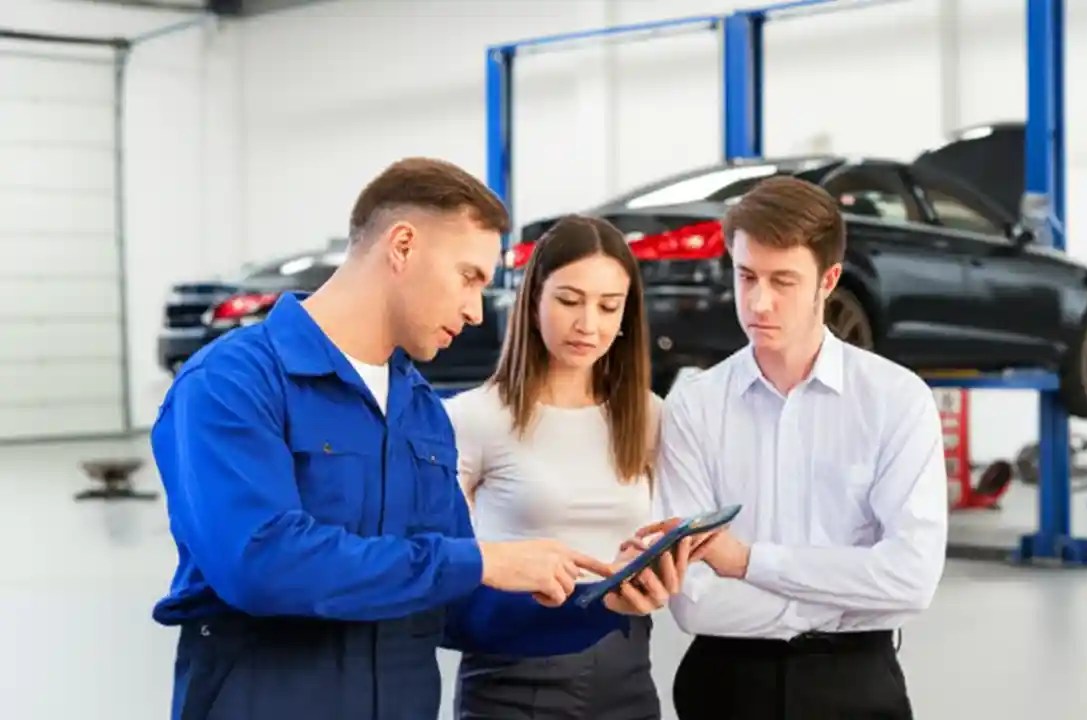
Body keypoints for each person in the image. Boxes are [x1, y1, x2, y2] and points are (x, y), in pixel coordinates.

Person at [148, 158, 687, 720]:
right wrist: (478, 560)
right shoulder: (233, 382)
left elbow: (456, 608)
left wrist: (599, 603)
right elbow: (259, 563)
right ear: (402, 246)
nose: (478, 311)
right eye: (470, 277)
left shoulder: (421, 412)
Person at [648, 176, 949, 720]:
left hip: (857, 688)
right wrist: (840, 600)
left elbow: (912, 578)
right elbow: (692, 600)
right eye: (747, 277)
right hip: (725, 686)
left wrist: (746, 562)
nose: (760, 302)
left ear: (828, 279)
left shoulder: (896, 401)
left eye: (783, 280)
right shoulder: (693, 406)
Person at [445, 214, 691, 720]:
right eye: (569, 300)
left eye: (608, 306)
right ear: (533, 299)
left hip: (626, 675)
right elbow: (437, 555)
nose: (588, 325)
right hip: (511, 678)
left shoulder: (648, 417)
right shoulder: (474, 417)